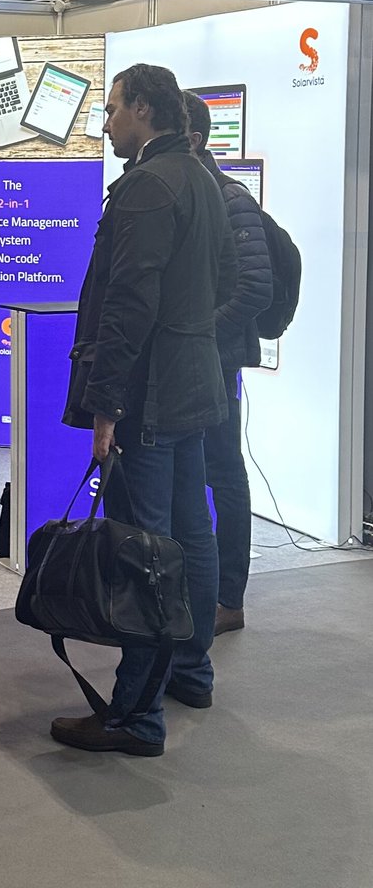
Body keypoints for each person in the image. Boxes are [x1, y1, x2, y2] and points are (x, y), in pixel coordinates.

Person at [54, 63, 236, 758]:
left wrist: (106, 406)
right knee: (190, 534)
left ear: (143, 109)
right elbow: (220, 284)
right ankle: (190, 671)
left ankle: (135, 713)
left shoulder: (146, 187)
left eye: (112, 109)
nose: (105, 124)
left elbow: (128, 305)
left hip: (150, 397)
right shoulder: (202, 180)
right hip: (191, 387)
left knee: (145, 551)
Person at [183, 92, 273, 636]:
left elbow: (256, 288)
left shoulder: (230, 198)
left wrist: (201, 334)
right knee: (196, 473)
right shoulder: (194, 192)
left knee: (223, 473)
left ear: (194, 139)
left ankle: (228, 599)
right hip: (194, 360)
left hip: (215, 362)